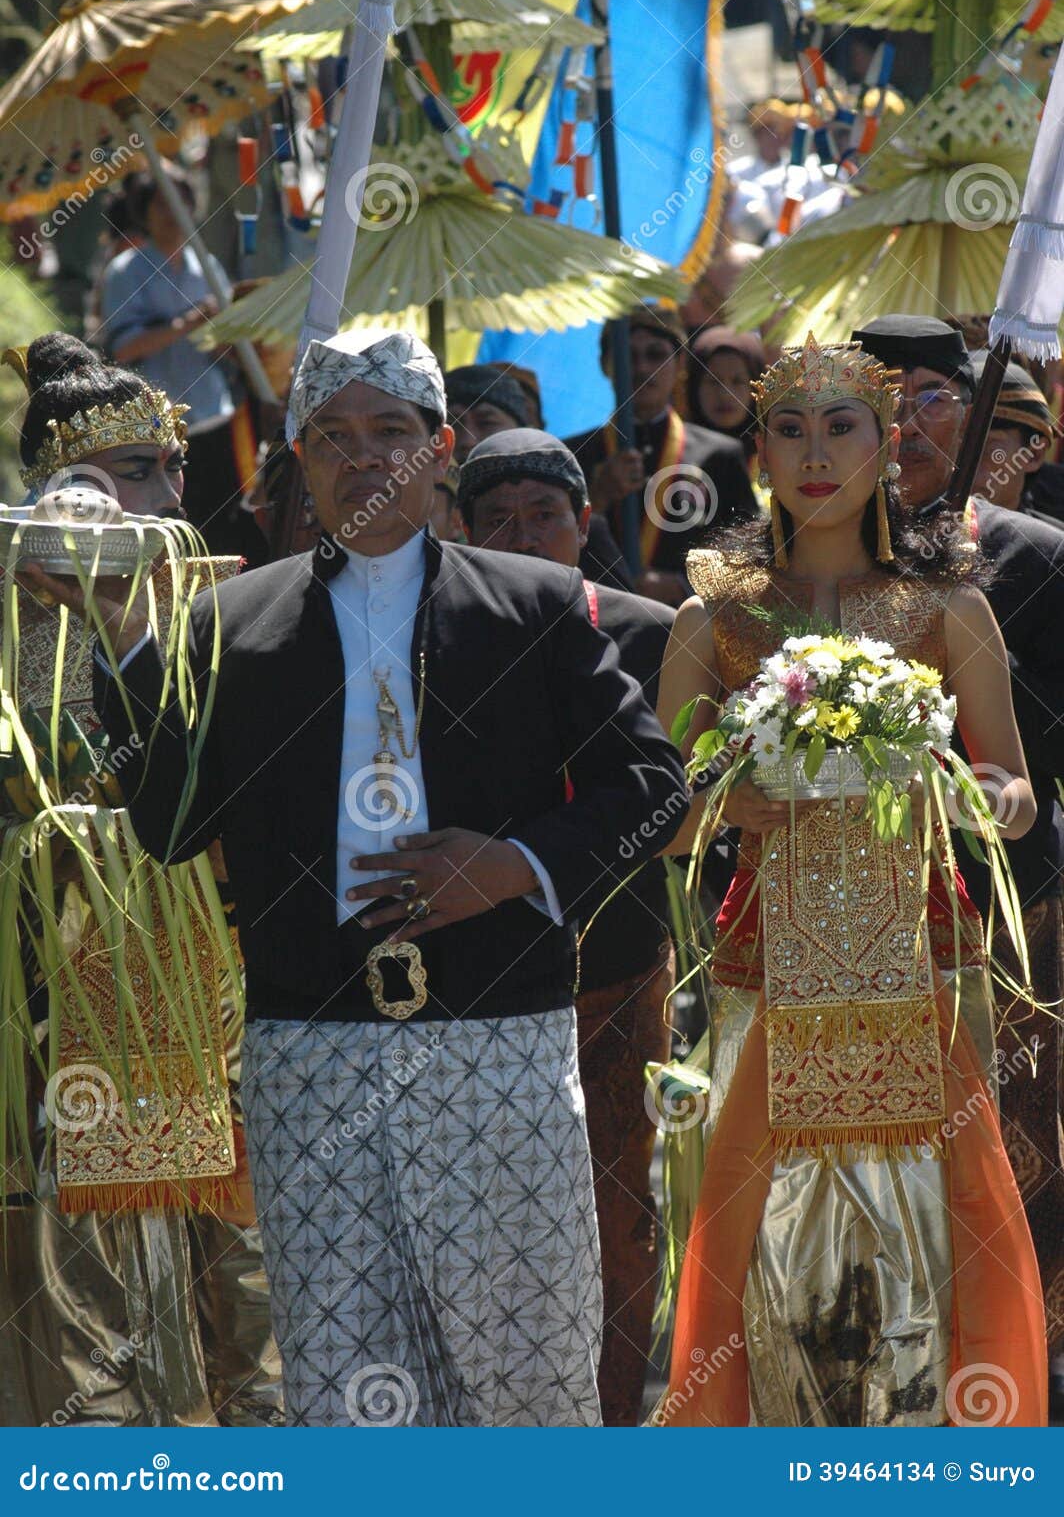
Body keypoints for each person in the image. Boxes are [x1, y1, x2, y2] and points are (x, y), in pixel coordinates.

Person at [51, 329, 688, 1428]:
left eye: (391, 431)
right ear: (299, 457)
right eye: (334, 437)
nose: (365, 458)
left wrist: (514, 866)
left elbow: (656, 787)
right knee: (350, 1392)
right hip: (313, 1046)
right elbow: (164, 824)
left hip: (500, 1037)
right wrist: (117, 639)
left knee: (526, 1377)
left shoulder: (535, 604)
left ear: (440, 449)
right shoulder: (230, 624)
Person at [654, 334, 1046, 1427]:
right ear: (756, 451)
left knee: (921, 1253)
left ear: (889, 444)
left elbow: (1012, 789)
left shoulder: (945, 605)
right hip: (762, 974)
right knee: (770, 1254)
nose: (814, 452)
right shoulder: (713, 616)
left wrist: (957, 793)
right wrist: (724, 803)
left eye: (842, 426)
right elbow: (652, 822)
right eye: (788, 427)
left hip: (912, 966)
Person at [0, 334, 282, 1426]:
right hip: (45, 987)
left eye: (166, 467)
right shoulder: (7, 613)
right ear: (51, 490)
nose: (162, 492)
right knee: (71, 1267)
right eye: (124, 473)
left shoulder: (225, 597)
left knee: (241, 1278)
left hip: (209, 982)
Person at [854, 313, 1064, 1411]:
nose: (901, 425)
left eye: (928, 396)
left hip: (1009, 921)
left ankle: (1026, 1376)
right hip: (840, 935)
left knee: (1019, 1162)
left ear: (974, 412)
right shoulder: (795, 567)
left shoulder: (1032, 559)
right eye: (870, 404)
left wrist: (1005, 797)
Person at [458, 428, 677, 1427]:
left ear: (583, 522)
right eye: (493, 519)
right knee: (491, 1224)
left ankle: (615, 1426)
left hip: (619, 972)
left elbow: (676, 797)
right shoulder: (439, 637)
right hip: (483, 980)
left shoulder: (649, 630)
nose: (520, 536)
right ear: (457, 532)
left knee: (619, 1218)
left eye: (542, 515)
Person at [567, 307, 758, 607]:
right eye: (628, 356)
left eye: (655, 355)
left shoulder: (719, 455)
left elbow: (747, 555)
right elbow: (555, 552)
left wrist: (684, 585)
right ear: (606, 366)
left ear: (680, 363)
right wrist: (596, 498)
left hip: (686, 625)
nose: (642, 369)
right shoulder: (575, 454)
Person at [99, 171, 244, 554]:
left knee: (224, 523)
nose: (171, 213)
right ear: (144, 213)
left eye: (178, 202)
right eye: (160, 204)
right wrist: (186, 324)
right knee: (169, 529)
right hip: (155, 426)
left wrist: (223, 337)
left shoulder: (207, 266)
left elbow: (225, 348)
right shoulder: (125, 272)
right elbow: (123, 349)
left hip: (214, 413)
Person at [445, 362, 634, 591]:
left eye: (486, 423)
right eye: (498, 523)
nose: (467, 440)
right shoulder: (422, 528)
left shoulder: (582, 529)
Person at [970, 352, 1062, 525]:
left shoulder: (1052, 548)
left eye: (988, 448)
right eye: (953, 446)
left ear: (1034, 454)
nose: (961, 466)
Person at [686, 325, 766, 469]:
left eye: (738, 381)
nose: (726, 394)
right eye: (713, 382)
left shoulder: (775, 461)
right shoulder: (675, 459)